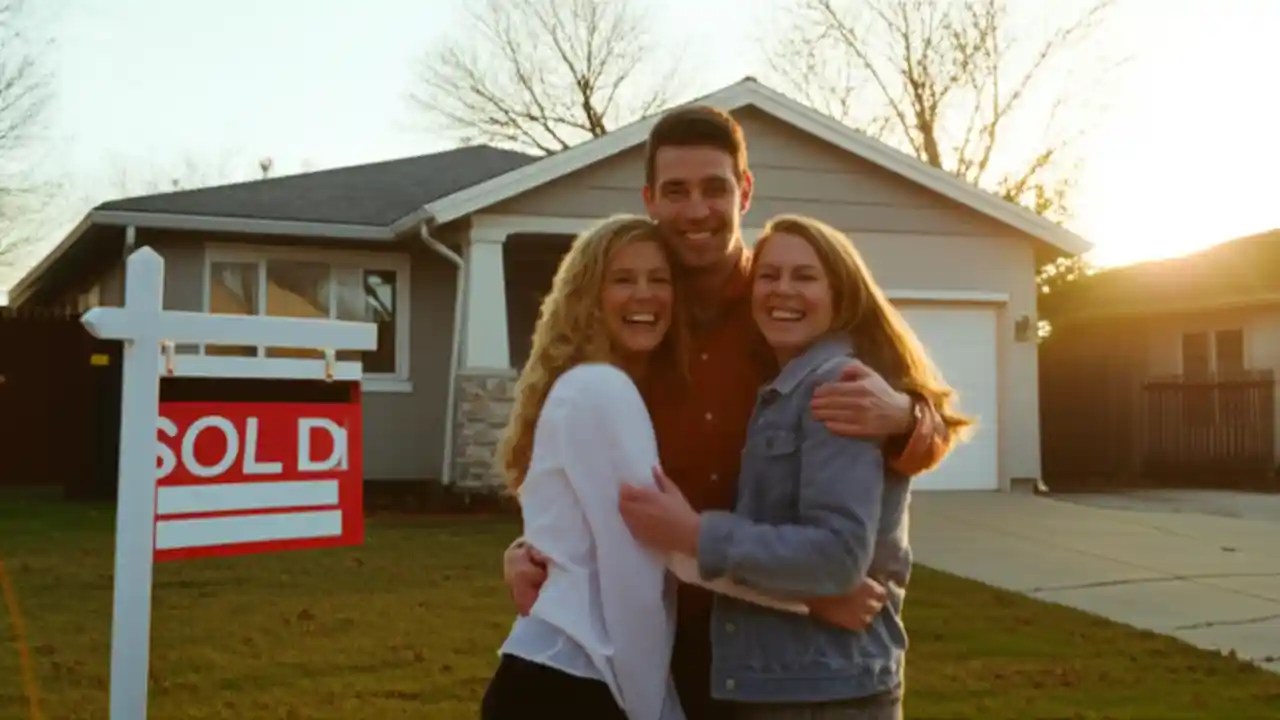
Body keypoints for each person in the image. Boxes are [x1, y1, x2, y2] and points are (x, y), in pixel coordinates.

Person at [503, 105, 958, 719]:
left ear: (744, 190)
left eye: (714, 188)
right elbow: (591, 471)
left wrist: (907, 418)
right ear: (650, 200)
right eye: (676, 191)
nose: (696, 211)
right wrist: (537, 547)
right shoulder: (637, 323)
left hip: (778, 648)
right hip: (664, 632)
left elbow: (921, 436)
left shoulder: (791, 303)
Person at [618, 214, 975, 719]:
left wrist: (695, 533)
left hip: (819, 691)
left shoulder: (837, 389)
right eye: (769, 276)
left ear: (840, 292)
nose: (783, 290)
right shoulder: (783, 383)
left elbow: (835, 557)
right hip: (777, 676)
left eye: (804, 276)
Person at [481, 214, 811, 720]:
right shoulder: (602, 391)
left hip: (560, 674)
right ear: (588, 295)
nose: (645, 296)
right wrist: (655, 709)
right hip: (575, 683)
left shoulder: (595, 387)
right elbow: (634, 580)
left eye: (658, 280)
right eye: (623, 279)